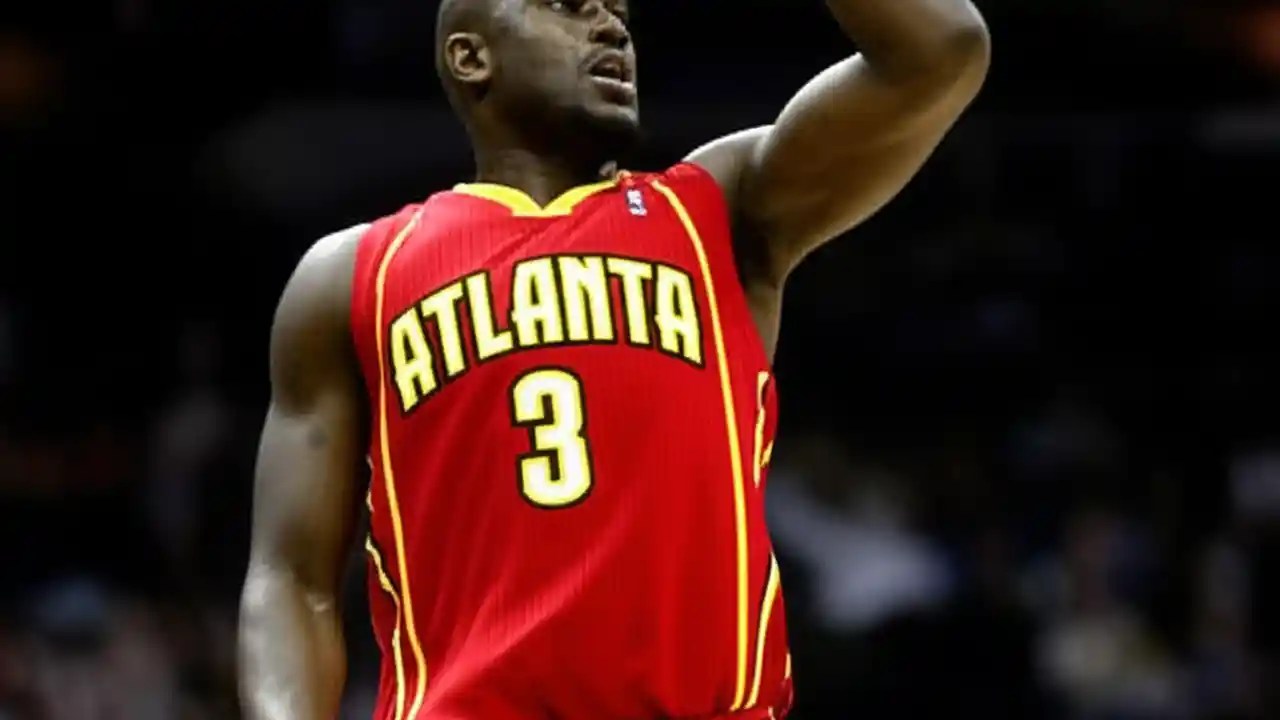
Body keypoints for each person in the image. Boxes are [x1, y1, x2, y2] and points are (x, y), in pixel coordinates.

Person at [237, 0, 990, 718]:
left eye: (620, 15)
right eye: (566, 6)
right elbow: (291, 579)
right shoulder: (352, 276)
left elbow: (940, 51)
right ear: (470, 57)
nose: (609, 26)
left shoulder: (720, 213)